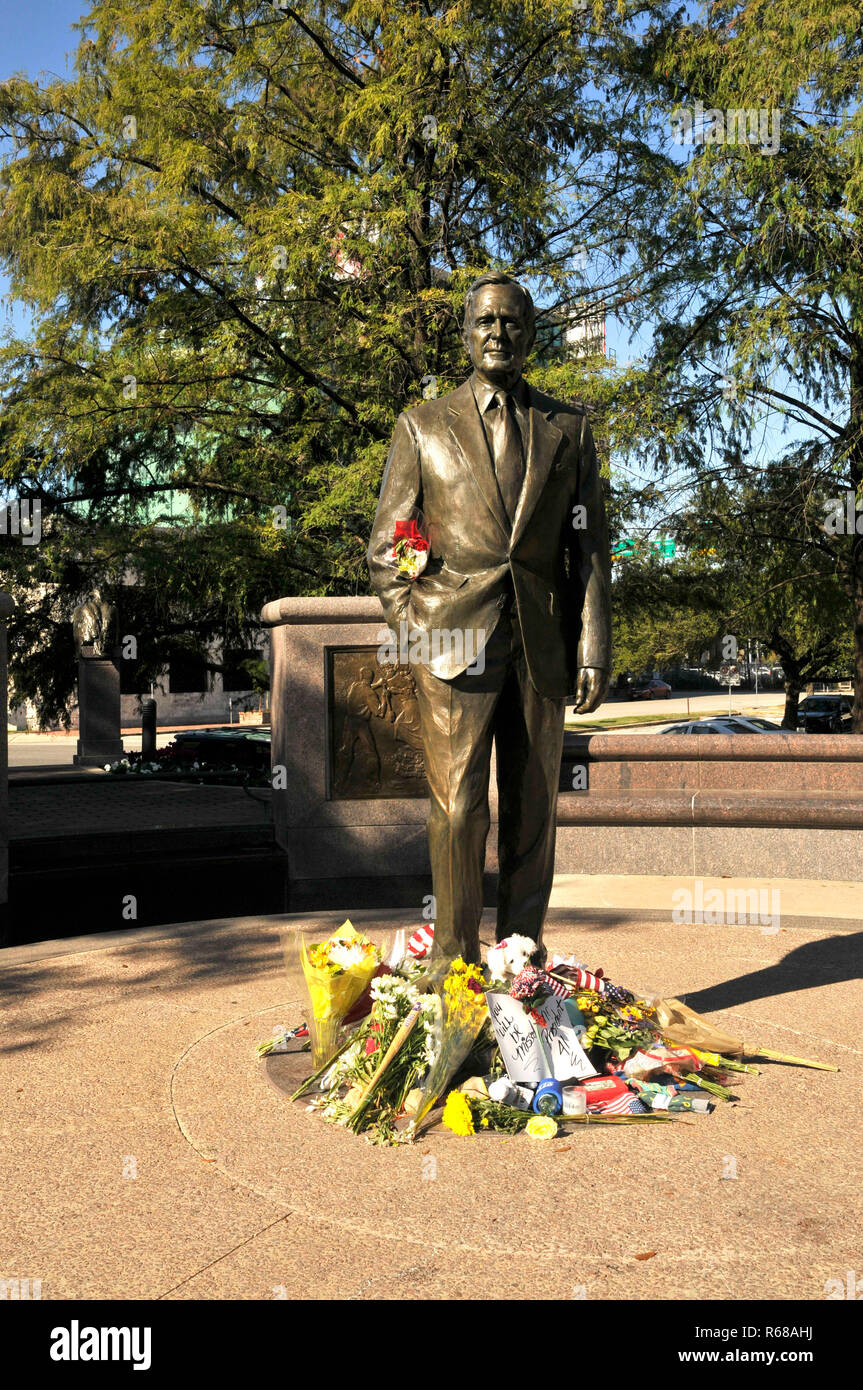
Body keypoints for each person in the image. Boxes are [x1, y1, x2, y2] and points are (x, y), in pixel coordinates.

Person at [367, 273, 611, 965]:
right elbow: (389, 546)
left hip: (541, 642)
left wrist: (592, 644)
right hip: (451, 643)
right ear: (466, 333)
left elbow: (588, 547)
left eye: (511, 323)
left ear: (530, 335)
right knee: (456, 807)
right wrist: (414, 629)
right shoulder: (422, 425)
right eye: (484, 322)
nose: (497, 334)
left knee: (533, 811)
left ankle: (521, 960)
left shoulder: (568, 427)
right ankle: (453, 964)